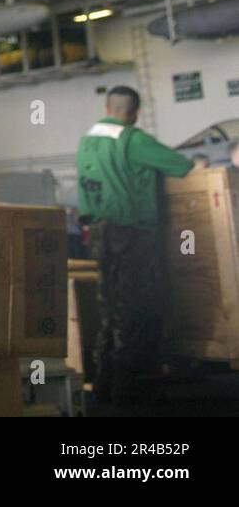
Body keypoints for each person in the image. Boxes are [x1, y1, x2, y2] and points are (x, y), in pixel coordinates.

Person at [75, 85, 201, 406]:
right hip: (133, 235)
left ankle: (104, 385)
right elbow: (180, 165)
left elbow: (85, 191)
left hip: (100, 234)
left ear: (107, 107)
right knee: (138, 308)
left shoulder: (86, 141)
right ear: (134, 113)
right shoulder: (133, 139)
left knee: (109, 309)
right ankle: (130, 391)